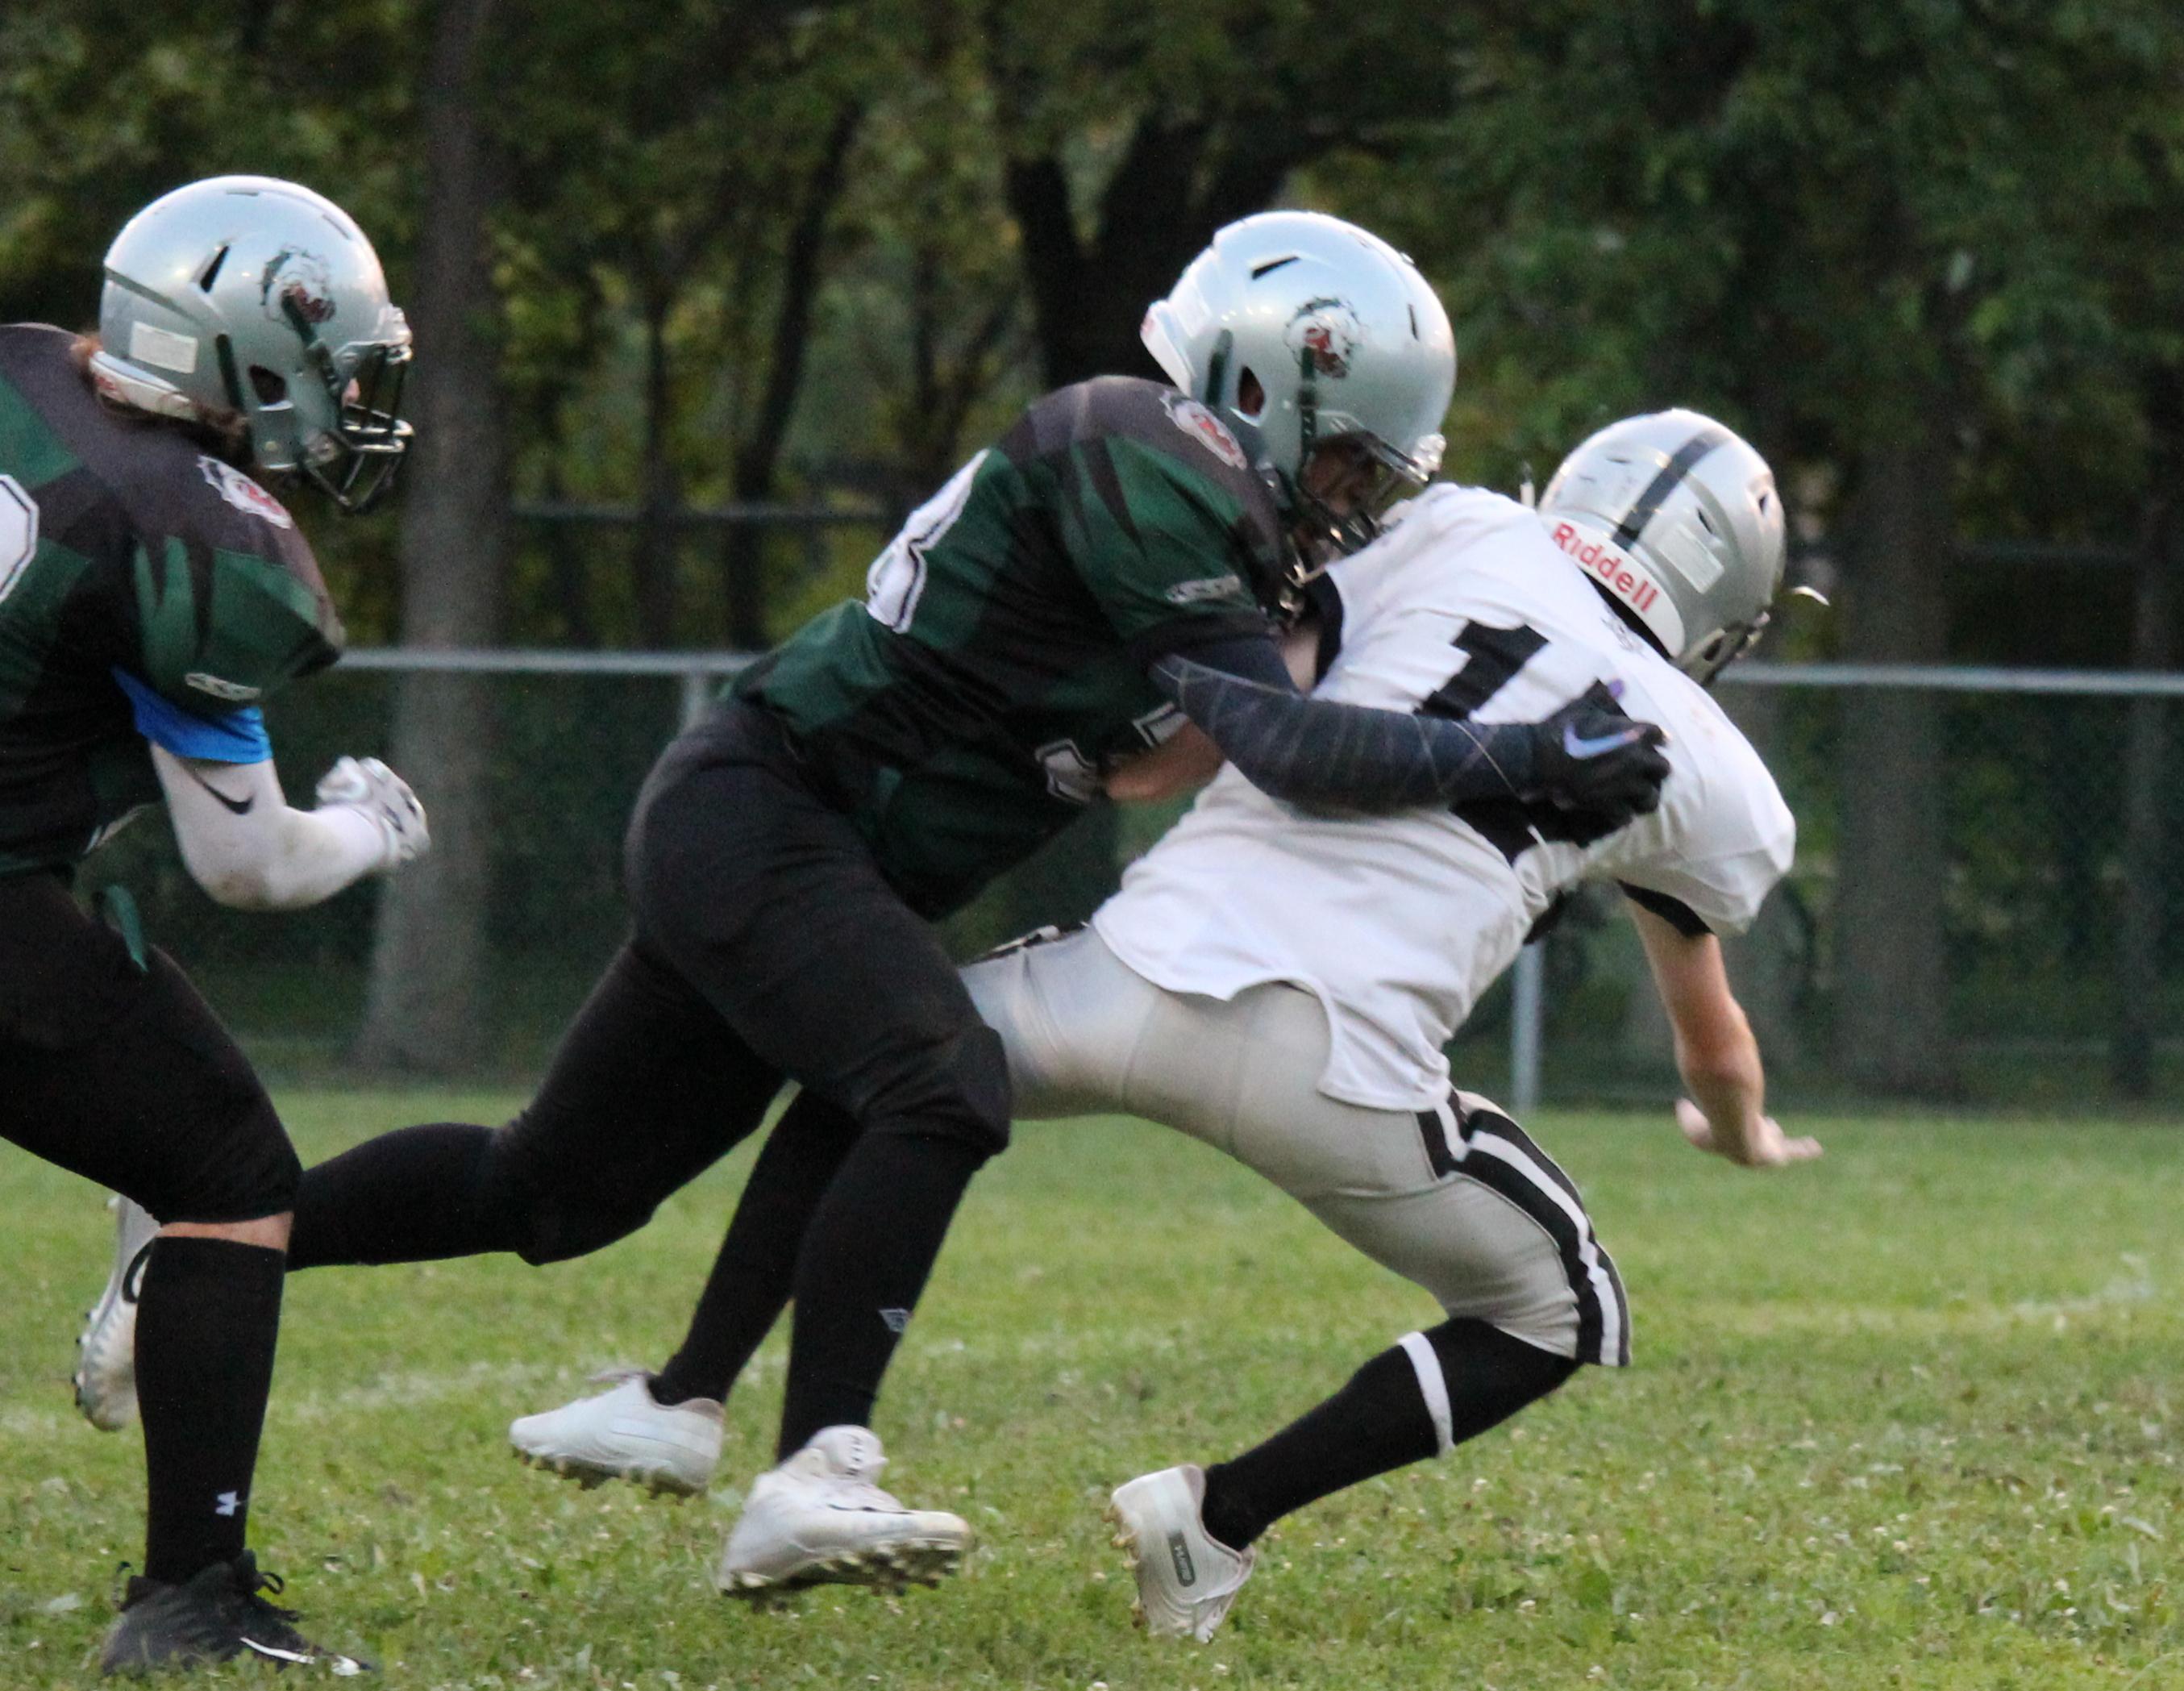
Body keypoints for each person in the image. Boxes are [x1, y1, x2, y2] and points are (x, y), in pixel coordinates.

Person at [73, 211, 1669, 1598]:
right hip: (767, 811)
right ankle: (811, 1468)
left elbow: (1154, 768)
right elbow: (1276, 749)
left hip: (791, 836)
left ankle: (208, 1246)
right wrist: (1521, 754)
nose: (1349, 495)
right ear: (1259, 387)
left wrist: (1303, 651)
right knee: (937, 1076)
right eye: (1341, 457)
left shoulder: (1217, 521)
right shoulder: (1141, 441)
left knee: (553, 1192)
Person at [503, 409, 1819, 1639]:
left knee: (892, 1066)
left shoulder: (1454, 526)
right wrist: (1740, 1129)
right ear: (1722, 603)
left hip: (1128, 971)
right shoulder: (1709, 766)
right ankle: (1214, 1517)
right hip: (1338, 1070)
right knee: (1559, 1305)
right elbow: (1710, 1038)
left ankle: (691, 1389)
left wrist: (1102, 772)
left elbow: (1254, 686)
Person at [6, 175, 426, 1674]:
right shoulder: (189, 528)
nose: (349, 399)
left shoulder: (23, 375)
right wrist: (373, 828)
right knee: (230, 1164)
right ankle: (193, 1596)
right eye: (334, 361)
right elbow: (246, 865)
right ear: (242, 350)